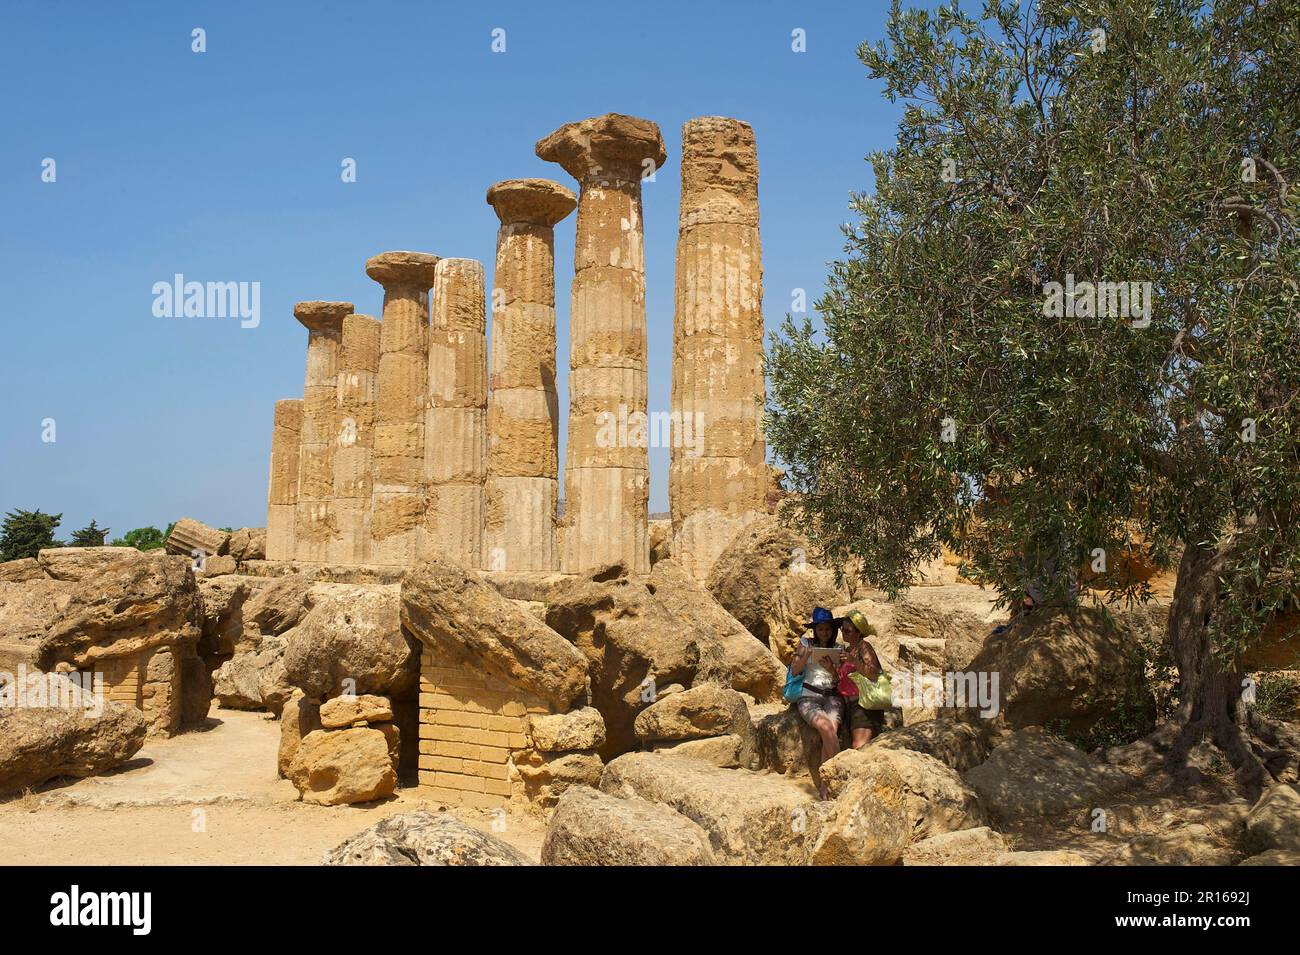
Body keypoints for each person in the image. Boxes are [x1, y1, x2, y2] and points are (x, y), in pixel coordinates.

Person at [790, 606, 844, 799]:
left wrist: (832, 669)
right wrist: (806, 654)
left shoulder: (838, 649)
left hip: (832, 696)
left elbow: (839, 680)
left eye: (827, 629)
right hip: (809, 696)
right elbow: (795, 671)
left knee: (831, 730)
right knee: (827, 729)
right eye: (820, 629)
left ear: (832, 630)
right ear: (815, 629)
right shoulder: (805, 643)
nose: (824, 632)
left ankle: (824, 786)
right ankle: (837, 777)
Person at [837, 609, 885, 748]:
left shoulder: (864, 647)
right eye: (842, 629)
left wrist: (854, 661)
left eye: (848, 630)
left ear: (858, 632)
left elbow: (873, 673)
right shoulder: (847, 650)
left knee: (860, 745)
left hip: (863, 704)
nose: (844, 633)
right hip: (850, 704)